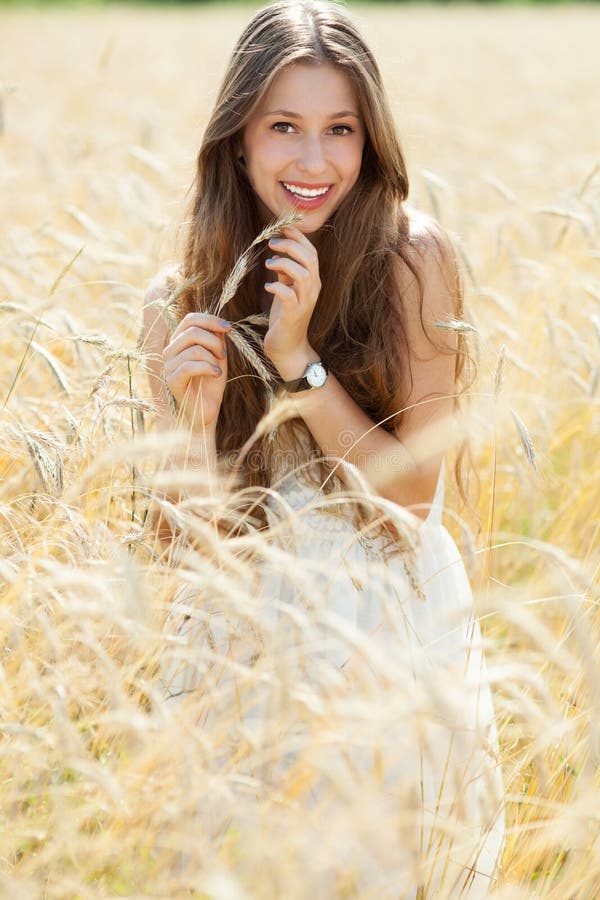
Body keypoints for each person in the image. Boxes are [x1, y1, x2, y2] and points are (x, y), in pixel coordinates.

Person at [141, 1, 505, 894]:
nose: (315, 162)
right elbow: (179, 544)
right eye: (284, 128)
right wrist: (191, 423)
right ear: (237, 141)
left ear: (369, 140)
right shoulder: (178, 299)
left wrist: (299, 361)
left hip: (389, 635)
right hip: (241, 650)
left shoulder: (413, 262)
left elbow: (410, 503)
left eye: (340, 129)